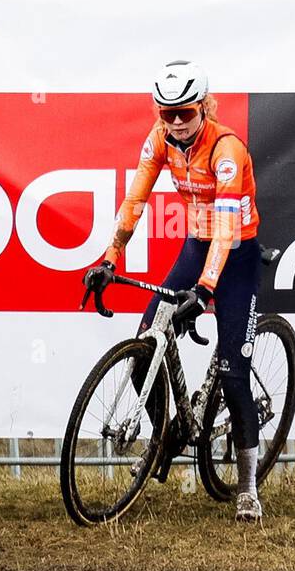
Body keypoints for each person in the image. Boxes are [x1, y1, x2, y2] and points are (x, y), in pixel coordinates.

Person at [88, 60, 264, 522]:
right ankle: (166, 431)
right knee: (148, 336)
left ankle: (247, 487)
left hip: (237, 256)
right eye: (167, 113)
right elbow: (135, 200)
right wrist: (109, 258)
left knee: (232, 371)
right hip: (196, 246)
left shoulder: (226, 149)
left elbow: (226, 230)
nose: (178, 121)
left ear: (204, 106)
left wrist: (205, 289)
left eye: (185, 111)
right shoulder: (160, 138)